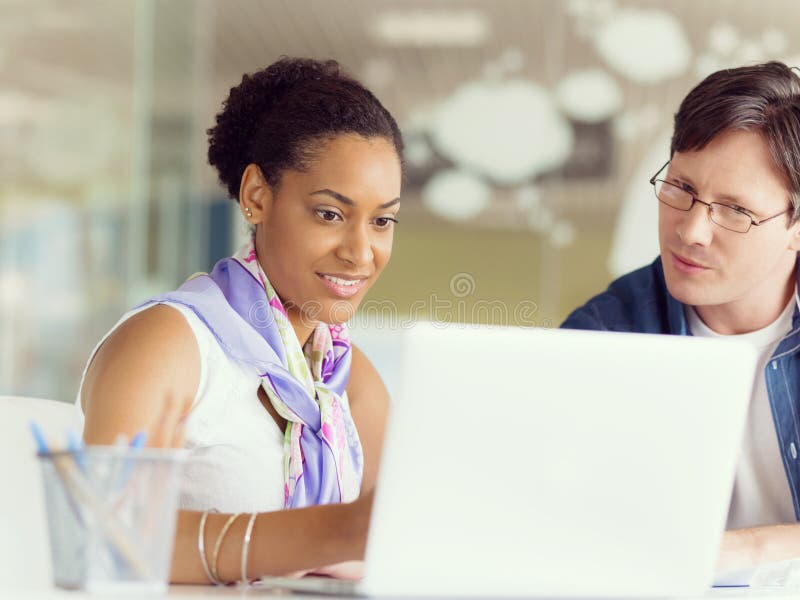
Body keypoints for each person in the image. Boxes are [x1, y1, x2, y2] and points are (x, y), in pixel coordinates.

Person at [78, 57, 404, 584]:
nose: (360, 252)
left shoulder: (347, 378)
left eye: (382, 221)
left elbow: (402, 543)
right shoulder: (168, 343)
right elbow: (108, 536)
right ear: (257, 197)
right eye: (329, 213)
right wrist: (330, 534)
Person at [562, 61, 800, 572]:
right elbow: (561, 528)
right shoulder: (602, 337)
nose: (691, 231)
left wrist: (750, 549)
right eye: (680, 189)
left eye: (736, 211)